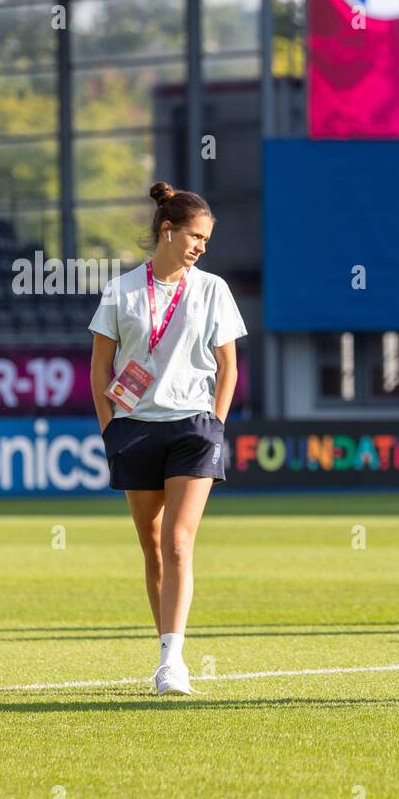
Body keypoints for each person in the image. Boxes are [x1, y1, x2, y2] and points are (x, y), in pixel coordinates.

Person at [89, 181, 247, 695]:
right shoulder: (121, 290)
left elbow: (228, 366)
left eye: (206, 239)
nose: (201, 246)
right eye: (195, 235)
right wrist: (110, 428)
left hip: (194, 429)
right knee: (153, 548)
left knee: (180, 541)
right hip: (134, 429)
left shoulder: (212, 289)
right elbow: (100, 368)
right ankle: (164, 650)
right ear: (167, 230)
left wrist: (217, 426)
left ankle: (172, 664)